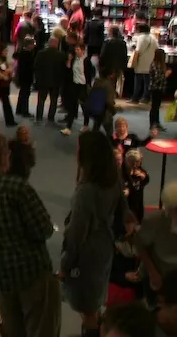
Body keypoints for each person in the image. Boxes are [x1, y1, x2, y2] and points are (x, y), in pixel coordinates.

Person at [0, 132, 60, 337]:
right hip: (33, 274)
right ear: (5, 157)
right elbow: (45, 230)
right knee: (42, 329)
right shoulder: (19, 189)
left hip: (1, 278)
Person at [61, 132, 131, 336]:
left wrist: (65, 265)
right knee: (95, 302)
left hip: (87, 255)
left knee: (87, 311)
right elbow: (123, 208)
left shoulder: (86, 191)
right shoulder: (113, 177)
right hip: (105, 247)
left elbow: (76, 234)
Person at [138, 183, 177, 306]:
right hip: (159, 275)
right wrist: (152, 273)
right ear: (168, 208)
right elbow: (140, 246)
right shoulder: (154, 223)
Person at [34, 38, 67, 125]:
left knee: (41, 100)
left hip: (43, 81)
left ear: (48, 43)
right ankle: (51, 118)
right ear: (56, 44)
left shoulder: (41, 53)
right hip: (55, 82)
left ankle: (39, 117)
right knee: (54, 100)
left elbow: (36, 67)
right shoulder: (61, 55)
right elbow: (63, 70)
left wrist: (37, 79)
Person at [150, 49, 169, 130]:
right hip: (155, 88)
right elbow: (157, 79)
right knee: (154, 107)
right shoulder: (155, 65)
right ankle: (152, 124)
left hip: (160, 89)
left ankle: (157, 123)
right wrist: (166, 74)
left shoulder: (160, 64)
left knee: (157, 107)